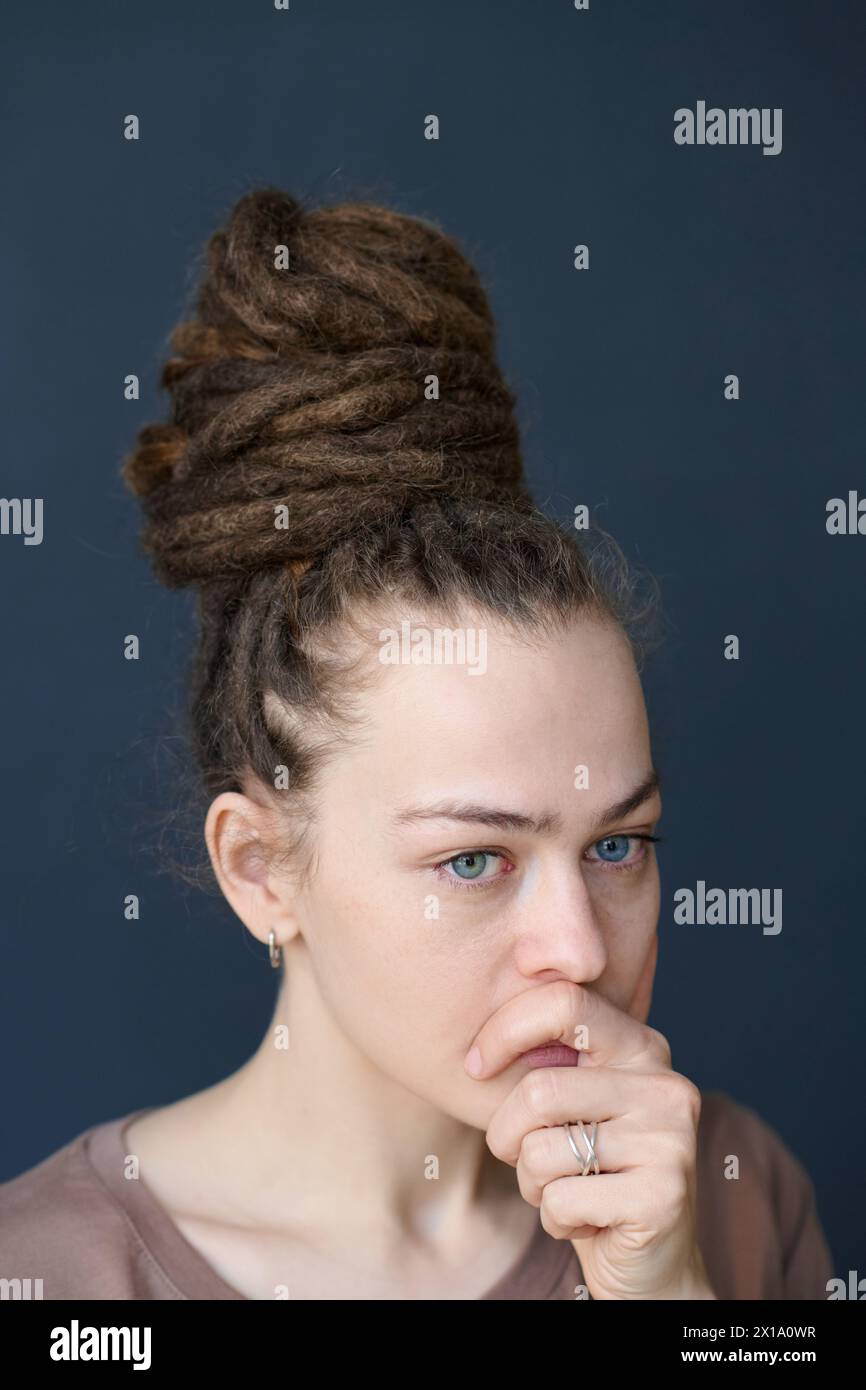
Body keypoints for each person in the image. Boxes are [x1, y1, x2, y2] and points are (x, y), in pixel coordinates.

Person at [0, 187, 834, 1300]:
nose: (579, 952)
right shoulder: (52, 1280)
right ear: (260, 869)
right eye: (473, 859)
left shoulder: (732, 1198)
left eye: (618, 846)